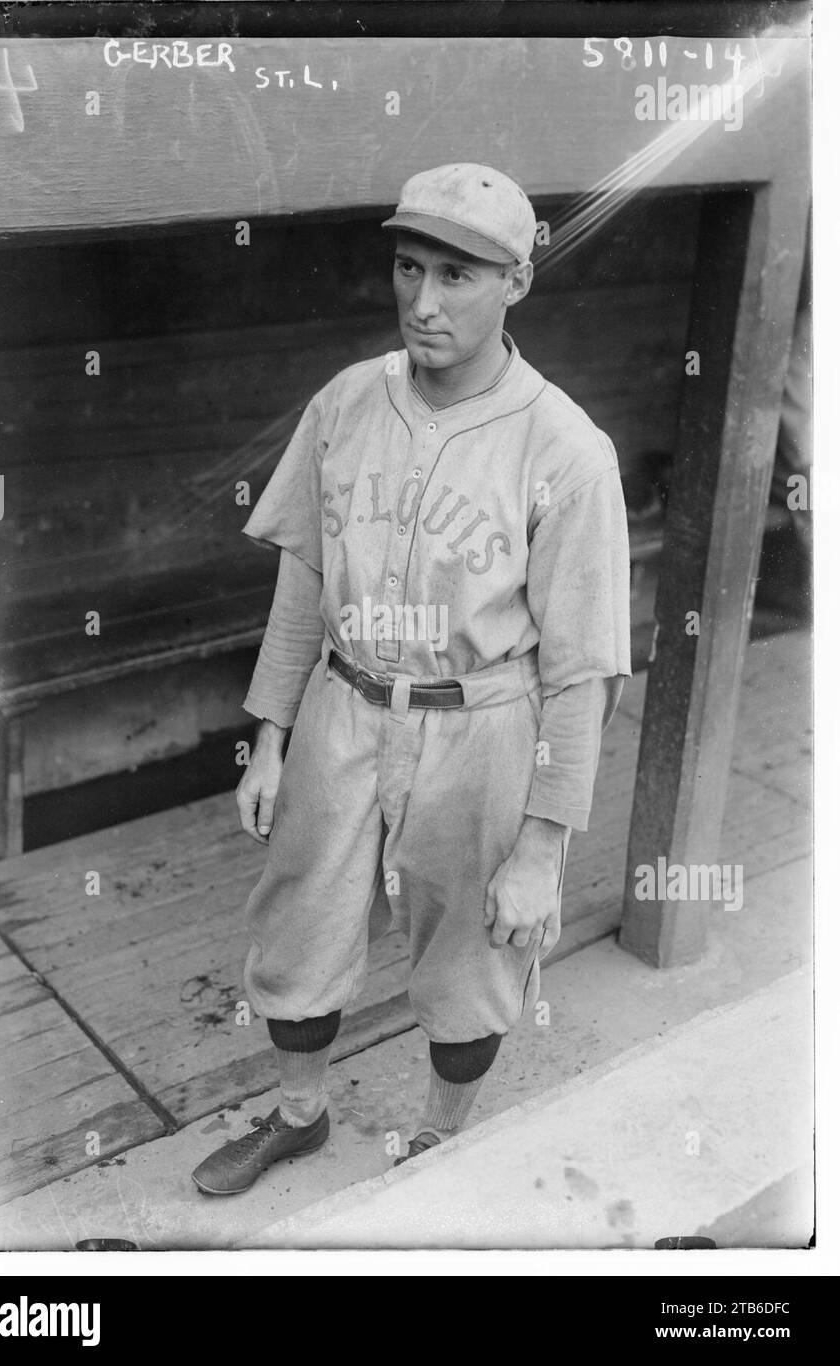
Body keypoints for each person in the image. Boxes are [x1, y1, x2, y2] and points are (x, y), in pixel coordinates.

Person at [192, 162, 631, 1196]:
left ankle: (439, 1140)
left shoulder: (567, 450)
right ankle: (299, 1114)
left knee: (474, 952)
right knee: (298, 925)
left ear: (518, 280)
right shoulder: (348, 400)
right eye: (408, 267)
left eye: (458, 275)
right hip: (344, 703)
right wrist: (270, 735)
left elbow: (582, 675)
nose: (424, 301)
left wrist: (543, 847)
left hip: (482, 723)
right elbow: (305, 574)